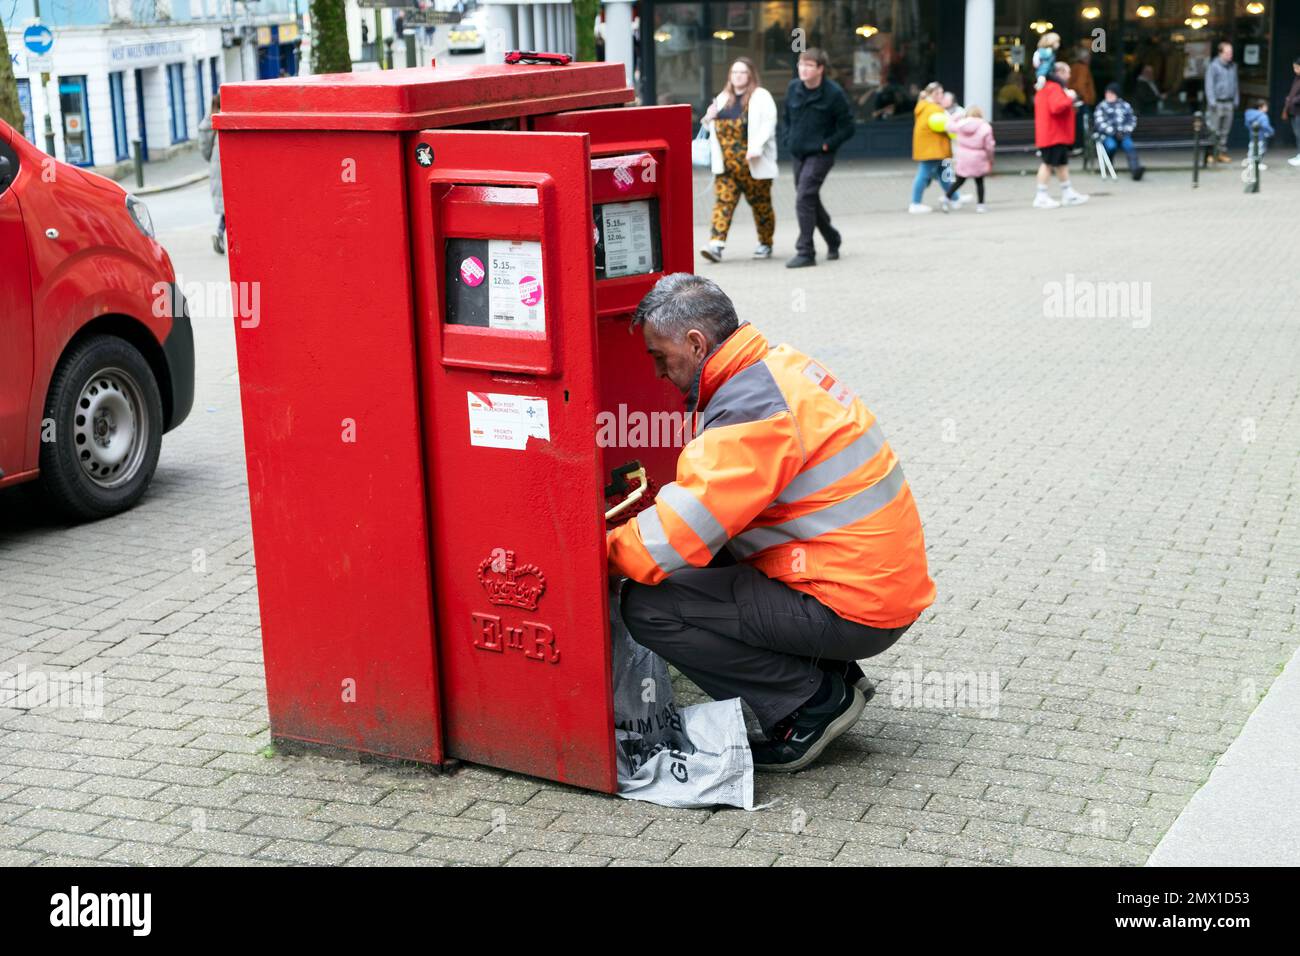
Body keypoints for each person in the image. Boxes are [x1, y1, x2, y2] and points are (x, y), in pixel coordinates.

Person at [608, 273, 935, 773]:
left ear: (696, 344)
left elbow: (676, 536)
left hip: (852, 606)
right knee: (710, 560)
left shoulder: (751, 408)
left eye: (660, 356)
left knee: (650, 605)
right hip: (877, 585)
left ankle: (809, 705)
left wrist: (599, 553)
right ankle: (831, 672)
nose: (657, 372)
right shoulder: (779, 367)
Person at [779, 48, 854, 268]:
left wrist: (827, 144)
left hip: (821, 155)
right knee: (809, 199)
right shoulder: (793, 88)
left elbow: (848, 127)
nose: (803, 69)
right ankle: (833, 238)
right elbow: (787, 118)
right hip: (798, 152)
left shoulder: (834, 93)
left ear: (820, 69)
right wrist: (788, 138)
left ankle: (806, 251)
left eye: (809, 65)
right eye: (801, 64)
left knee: (803, 198)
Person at [699, 58, 778, 262]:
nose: (738, 76)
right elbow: (710, 128)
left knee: (761, 206)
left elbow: (768, 124)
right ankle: (716, 245)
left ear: (750, 74)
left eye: (742, 72)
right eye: (734, 72)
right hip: (726, 166)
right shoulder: (724, 97)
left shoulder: (761, 96)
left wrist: (757, 147)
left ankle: (765, 243)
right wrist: (708, 118)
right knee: (723, 203)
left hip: (752, 163)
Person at [1033, 62, 1088, 208]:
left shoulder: (1048, 87)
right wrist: (1070, 97)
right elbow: (1056, 107)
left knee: (1061, 164)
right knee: (1047, 164)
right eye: (1067, 72)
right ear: (1060, 73)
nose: (1070, 76)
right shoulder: (1054, 87)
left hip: (1054, 134)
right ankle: (1041, 196)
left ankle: (1067, 193)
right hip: (1054, 134)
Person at [942, 106, 995, 212]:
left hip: (963, 156)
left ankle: (946, 198)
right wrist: (990, 159)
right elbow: (989, 146)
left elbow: (948, 126)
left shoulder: (961, 124)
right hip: (978, 156)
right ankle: (981, 205)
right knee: (979, 181)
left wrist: (956, 116)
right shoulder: (985, 127)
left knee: (959, 180)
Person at [909, 82, 951, 213]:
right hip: (933, 147)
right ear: (930, 94)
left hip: (930, 146)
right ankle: (915, 203)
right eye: (937, 93)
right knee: (924, 174)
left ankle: (954, 197)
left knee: (944, 173)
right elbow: (946, 125)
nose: (940, 95)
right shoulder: (934, 108)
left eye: (941, 93)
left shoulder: (923, 106)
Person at [1093, 82, 1145, 180]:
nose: (1108, 95)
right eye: (1107, 93)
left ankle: (1135, 170)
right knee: (1111, 146)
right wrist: (1113, 131)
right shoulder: (1102, 106)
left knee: (1129, 146)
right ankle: (1108, 165)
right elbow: (1099, 123)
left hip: (1123, 134)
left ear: (1117, 94)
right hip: (1108, 134)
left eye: (1111, 93)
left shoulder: (1125, 106)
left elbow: (1132, 120)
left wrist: (1124, 130)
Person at [198, 93, 225, 255]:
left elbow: (205, 149)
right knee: (232, 209)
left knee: (227, 209)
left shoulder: (210, 121)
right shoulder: (229, 118)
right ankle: (220, 232)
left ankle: (220, 233)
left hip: (217, 166)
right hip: (229, 167)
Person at [1204, 41, 1238, 164]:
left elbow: (1235, 84)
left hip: (1229, 103)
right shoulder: (1213, 66)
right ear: (1220, 53)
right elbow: (1209, 85)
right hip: (1217, 103)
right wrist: (1212, 101)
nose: (1230, 55)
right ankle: (1211, 153)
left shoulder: (1233, 66)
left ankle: (1221, 153)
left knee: (1225, 130)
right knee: (1214, 129)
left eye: (1231, 53)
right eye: (1228, 53)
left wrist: (1236, 100)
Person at [1069, 49, 1097, 151]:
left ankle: (1079, 145)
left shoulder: (1075, 67)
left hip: (1078, 100)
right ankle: (1081, 145)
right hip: (1083, 101)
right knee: (1083, 125)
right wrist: (1083, 97)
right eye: (1089, 58)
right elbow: (1081, 85)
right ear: (1085, 58)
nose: (1090, 60)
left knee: (1079, 123)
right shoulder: (1083, 68)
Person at [1242, 100, 1274, 169]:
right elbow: (1265, 126)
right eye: (1265, 107)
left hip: (1252, 135)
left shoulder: (1248, 114)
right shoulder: (1263, 116)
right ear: (1260, 107)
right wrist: (1271, 131)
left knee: (1251, 149)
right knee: (1260, 150)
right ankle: (1256, 164)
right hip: (1261, 136)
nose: (1267, 108)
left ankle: (1250, 162)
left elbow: (1246, 125)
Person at [1283, 57, 1300, 167]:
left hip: (1299, 111)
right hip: (1294, 111)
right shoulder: (1297, 78)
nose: (1295, 70)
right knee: (1297, 134)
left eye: (1297, 67)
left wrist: (1293, 100)